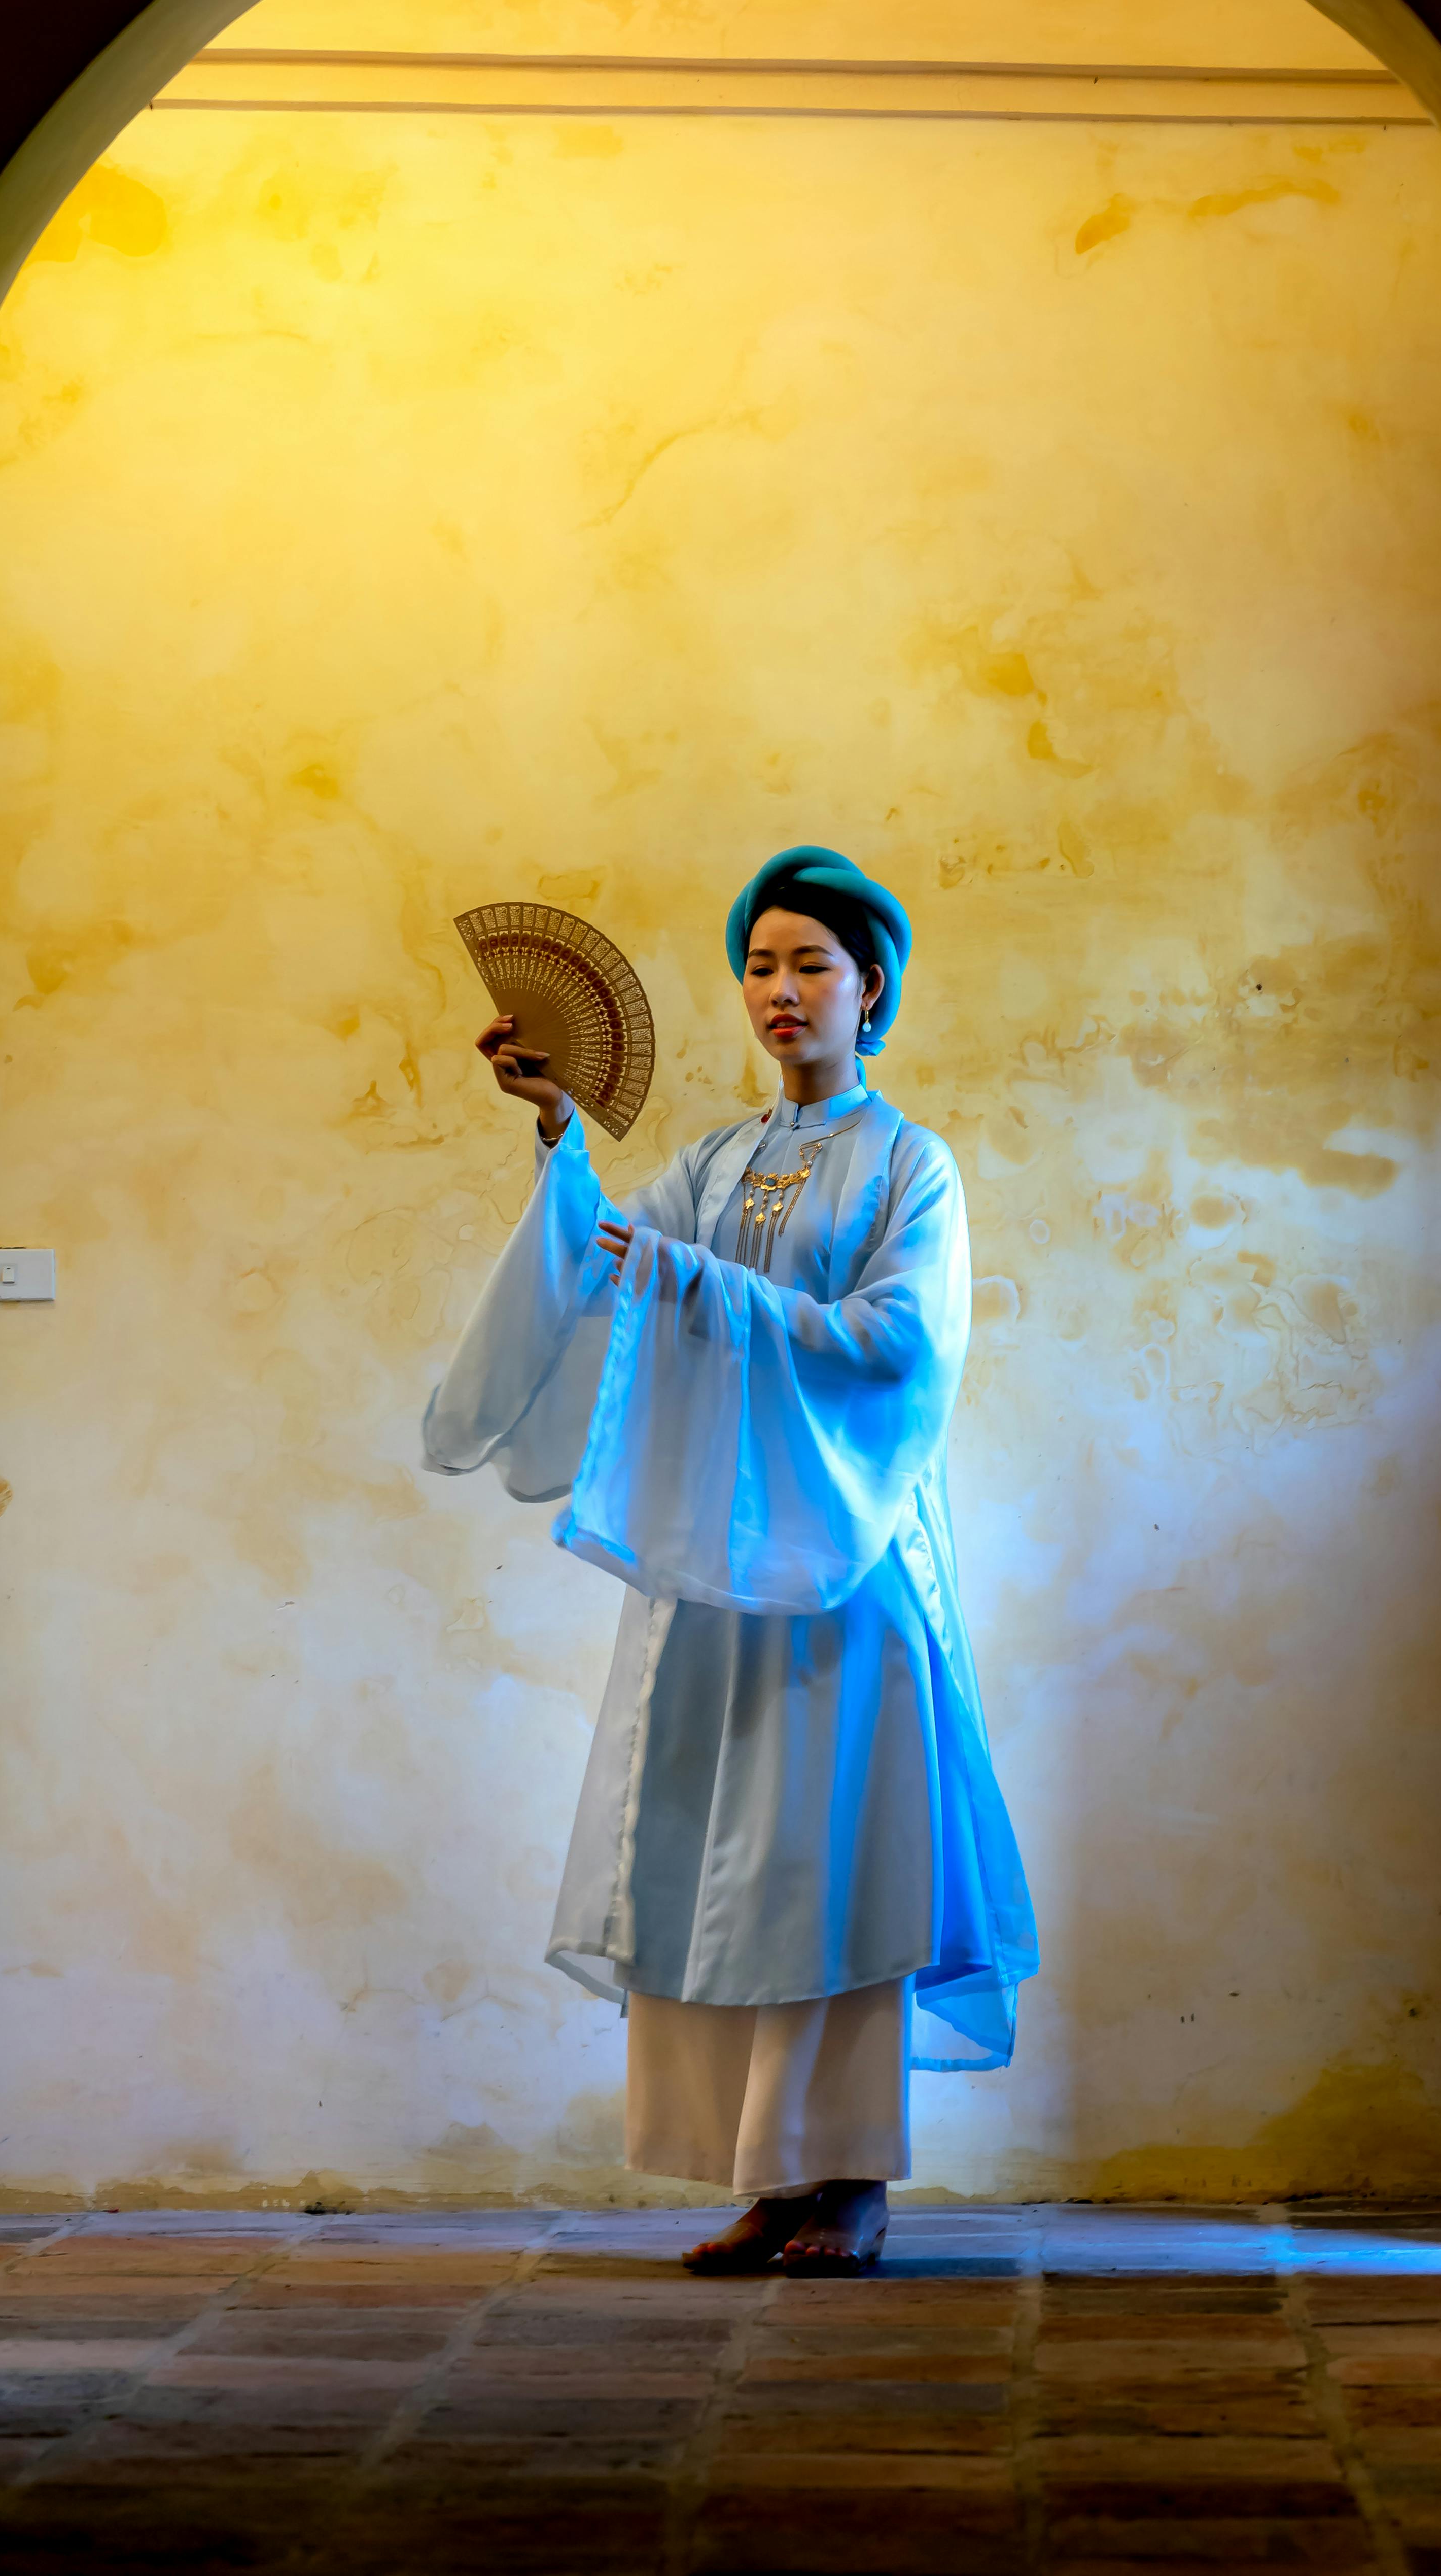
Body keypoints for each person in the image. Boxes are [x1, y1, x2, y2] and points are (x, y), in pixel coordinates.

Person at [422, 845, 1037, 2273]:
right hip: (719, 1562)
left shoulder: (909, 1166)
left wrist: (710, 1284)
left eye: (811, 963)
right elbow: (616, 1272)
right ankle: (771, 2173)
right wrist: (562, 1136)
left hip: (852, 1561)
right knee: (719, 1855)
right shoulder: (715, 1162)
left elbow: (902, 1346)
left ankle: (855, 2178)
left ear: (869, 987)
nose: (779, 991)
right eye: (759, 965)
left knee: (836, 1859)